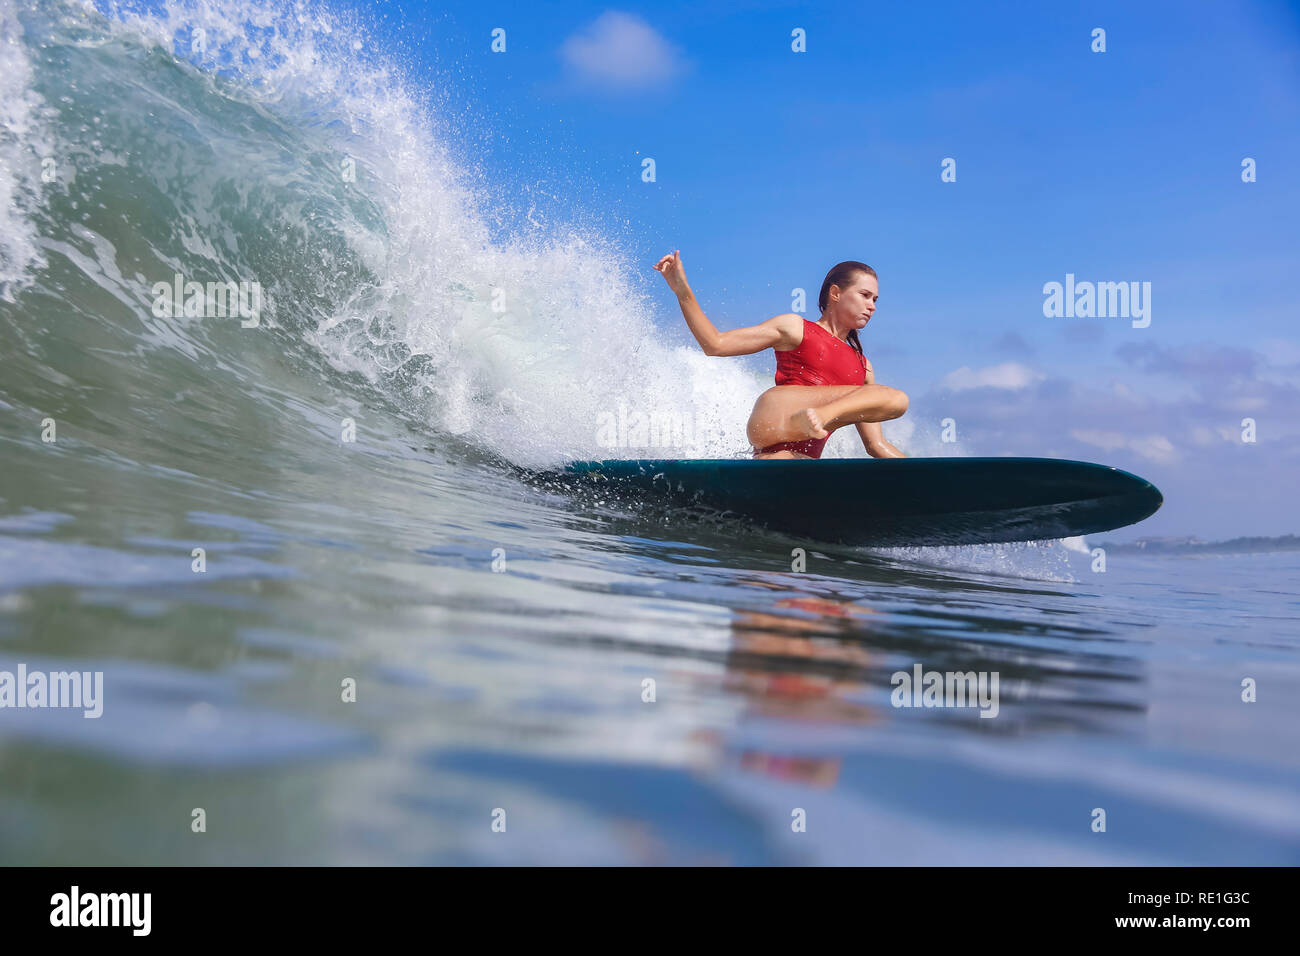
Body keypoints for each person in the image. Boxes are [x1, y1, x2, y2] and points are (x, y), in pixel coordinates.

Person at [654, 252, 908, 459]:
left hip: (795, 453)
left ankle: (811, 424)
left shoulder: (864, 367)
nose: (872, 305)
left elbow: (876, 445)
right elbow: (715, 344)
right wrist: (681, 290)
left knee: (895, 402)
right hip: (775, 415)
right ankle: (819, 416)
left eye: (875, 299)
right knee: (894, 396)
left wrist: (931, 480)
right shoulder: (795, 327)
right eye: (864, 295)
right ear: (835, 293)